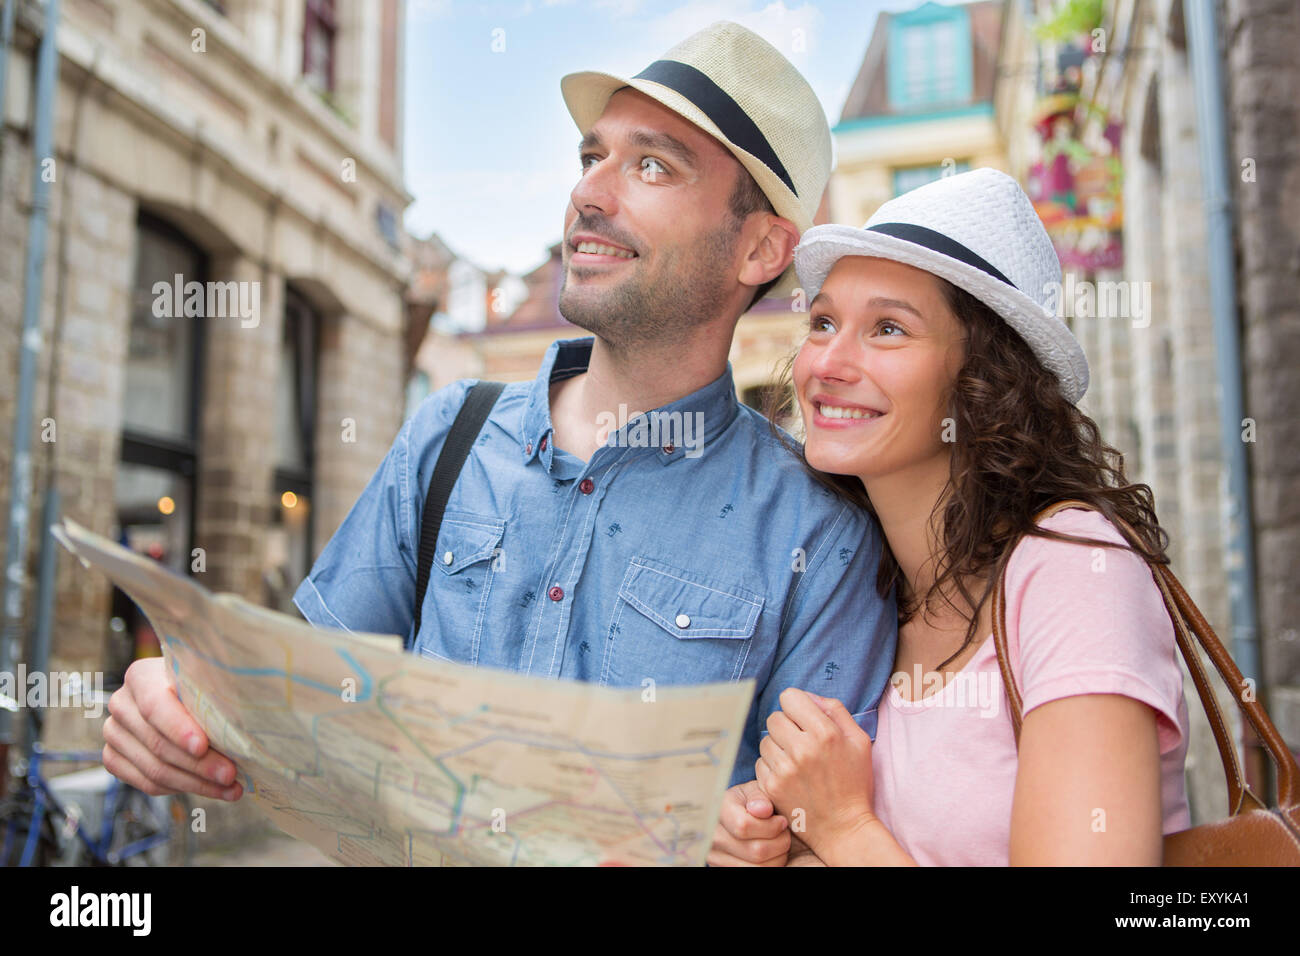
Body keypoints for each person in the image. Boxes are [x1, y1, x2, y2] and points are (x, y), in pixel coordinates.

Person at [99, 21, 897, 862]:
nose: (591, 193)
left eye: (652, 165)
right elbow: (298, 704)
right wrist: (181, 700)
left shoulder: (821, 537)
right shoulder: (450, 435)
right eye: (592, 157)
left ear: (759, 247)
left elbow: (819, 838)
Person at [715, 167, 1191, 866]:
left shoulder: (1073, 568)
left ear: (984, 384)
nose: (828, 362)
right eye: (823, 321)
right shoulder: (861, 582)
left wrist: (845, 828)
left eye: (887, 328)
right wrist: (776, 843)